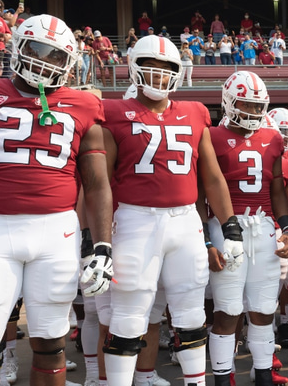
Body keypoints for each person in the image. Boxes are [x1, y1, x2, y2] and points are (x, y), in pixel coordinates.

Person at [0, 15, 114, 385]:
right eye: (37, 51)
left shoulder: (83, 105)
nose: (46, 63)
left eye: (56, 56)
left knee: (51, 342)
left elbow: (96, 183)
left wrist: (102, 244)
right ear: (17, 49)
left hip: (57, 231)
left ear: (70, 63)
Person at [100, 35, 243, 386]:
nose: (159, 75)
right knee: (128, 315)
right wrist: (96, 239)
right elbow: (99, 183)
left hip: (185, 221)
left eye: (167, 69)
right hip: (135, 219)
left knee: (191, 313)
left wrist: (231, 227)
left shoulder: (194, 111)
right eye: (151, 67)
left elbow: (211, 176)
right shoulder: (113, 112)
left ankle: (195, 382)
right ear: (134, 67)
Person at [206, 71, 288, 386]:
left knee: (263, 307)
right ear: (229, 102)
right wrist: (207, 240)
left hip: (264, 226)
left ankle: (262, 374)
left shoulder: (272, 137)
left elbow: (278, 190)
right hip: (226, 225)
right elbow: (201, 192)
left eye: (258, 106)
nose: (252, 113)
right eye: (245, 104)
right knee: (227, 309)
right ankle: (222, 376)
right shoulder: (211, 136)